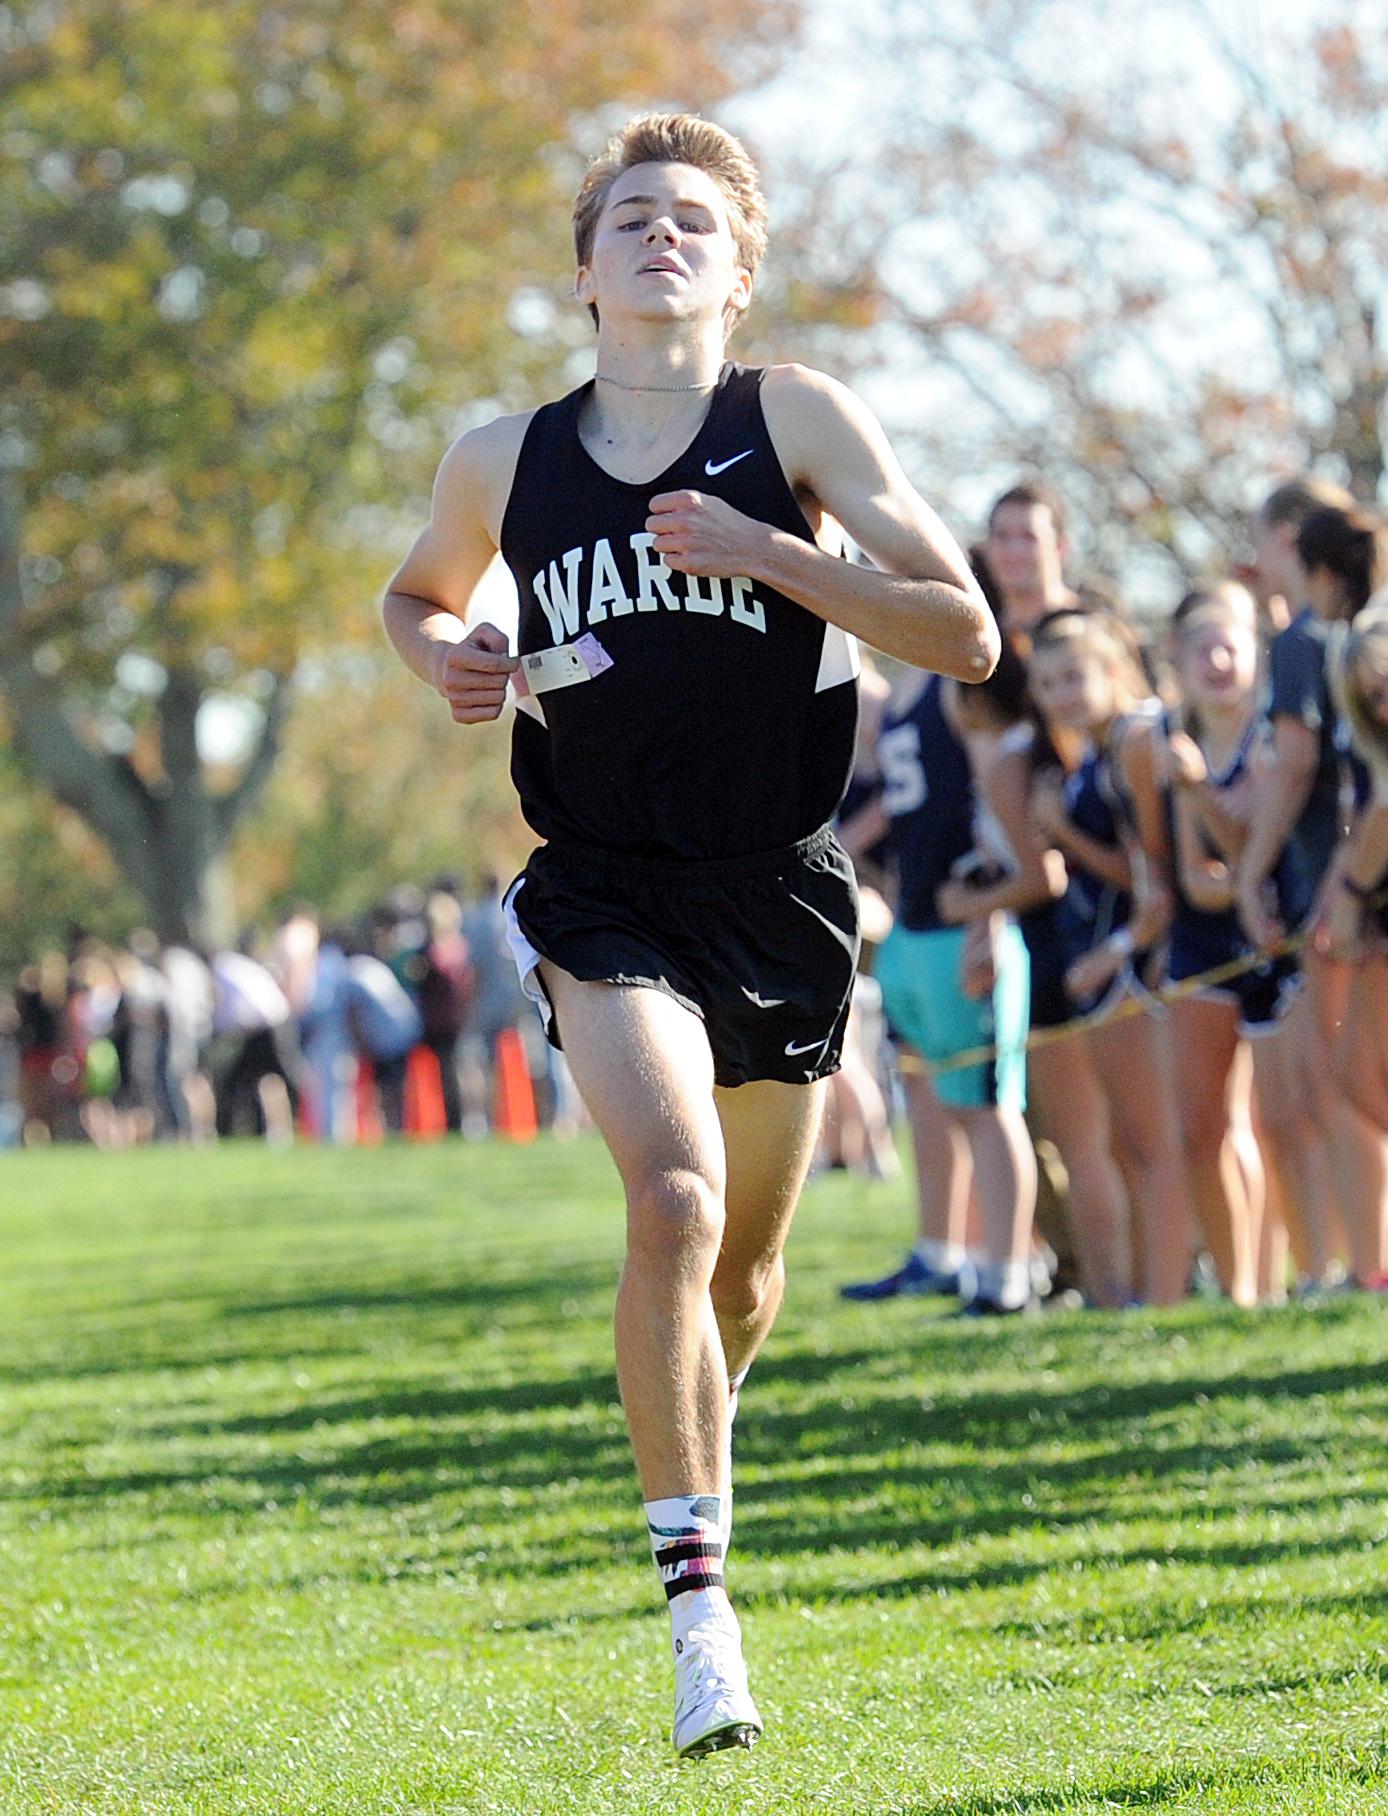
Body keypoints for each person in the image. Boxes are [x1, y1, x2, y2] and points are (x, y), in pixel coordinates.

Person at [381, 112, 997, 1759]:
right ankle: (698, 1618)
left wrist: (769, 551)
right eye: (631, 218)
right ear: (584, 273)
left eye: (694, 220)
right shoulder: (502, 458)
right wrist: (443, 651)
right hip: (598, 880)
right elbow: (416, 594)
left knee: (741, 1275)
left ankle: (693, 1462)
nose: (663, 236)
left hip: (779, 887)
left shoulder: (790, 419)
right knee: (669, 1192)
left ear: (739, 267)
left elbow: (966, 630)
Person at [1238, 492, 1388, 1288]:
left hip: (1339, 883)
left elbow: (1301, 768)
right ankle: (1343, 1265)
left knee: (1346, 1086)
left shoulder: (1309, 642)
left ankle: (1364, 1268)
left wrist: (1254, 875)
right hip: (1351, 875)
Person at [1026, 609, 1193, 1304]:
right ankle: (1137, 1293)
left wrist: (1062, 831)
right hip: (1102, 962)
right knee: (1126, 1142)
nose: (1063, 696)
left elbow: (1151, 877)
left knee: (1156, 1143)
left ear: (1112, 670)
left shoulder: (1134, 738)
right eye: (1048, 684)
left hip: (1136, 963)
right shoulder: (1092, 749)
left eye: (1075, 677)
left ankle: (1168, 1296)